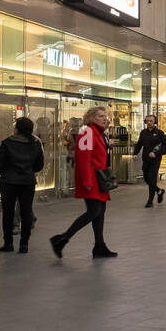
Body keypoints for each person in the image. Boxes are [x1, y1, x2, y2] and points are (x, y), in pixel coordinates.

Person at [51, 105, 116, 259]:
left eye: (105, 116)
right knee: (94, 212)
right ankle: (62, 239)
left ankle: (99, 246)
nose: (104, 119)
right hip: (92, 179)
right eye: (100, 116)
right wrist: (87, 181)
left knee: (100, 212)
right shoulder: (87, 133)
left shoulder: (98, 134)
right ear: (91, 118)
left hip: (100, 179)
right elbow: (83, 159)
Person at [0, 116, 44, 253]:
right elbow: (39, 165)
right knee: (26, 212)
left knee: (8, 213)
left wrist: (6, 172)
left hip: (8, 182)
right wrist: (29, 171)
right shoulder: (36, 144)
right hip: (27, 182)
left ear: (17, 129)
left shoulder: (7, 143)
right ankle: (24, 244)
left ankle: (8, 243)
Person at [134, 115, 166, 208]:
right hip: (145, 159)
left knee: (152, 179)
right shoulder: (143, 132)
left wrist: (156, 153)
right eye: (147, 121)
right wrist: (135, 153)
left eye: (151, 121)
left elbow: (165, 146)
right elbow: (139, 144)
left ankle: (150, 201)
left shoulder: (160, 133)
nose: (149, 122)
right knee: (146, 178)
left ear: (155, 122)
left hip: (155, 160)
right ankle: (159, 191)